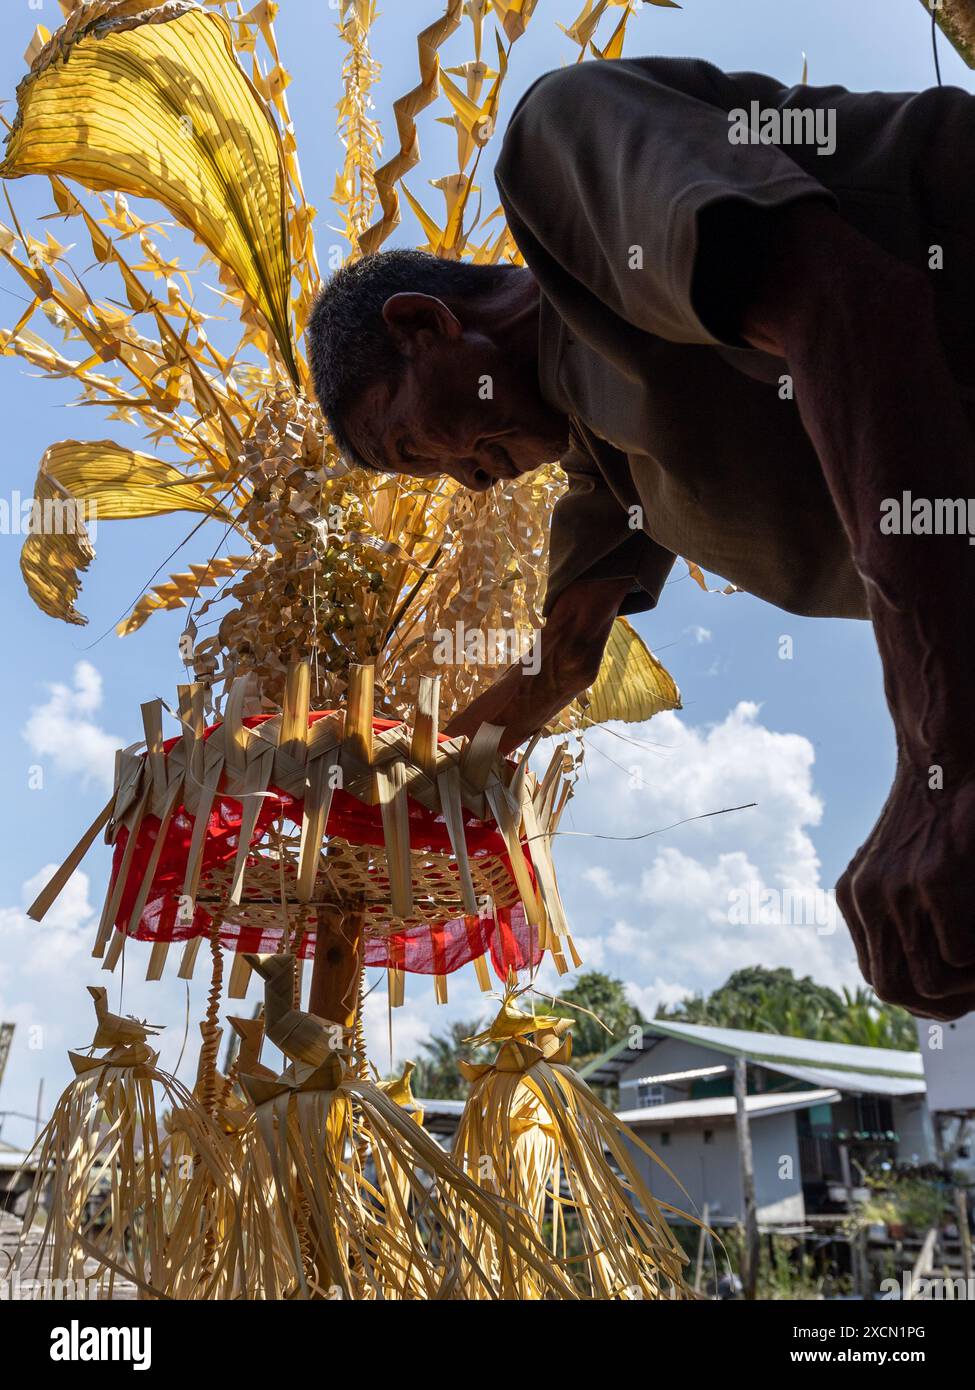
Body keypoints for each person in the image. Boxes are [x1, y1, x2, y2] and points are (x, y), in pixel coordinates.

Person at [308, 57, 975, 1018]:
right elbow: (560, 664)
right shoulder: (605, 454)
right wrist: (394, 806)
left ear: (422, 325)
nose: (471, 482)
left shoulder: (557, 154)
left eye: (419, 445)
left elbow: (841, 302)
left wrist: (939, 757)